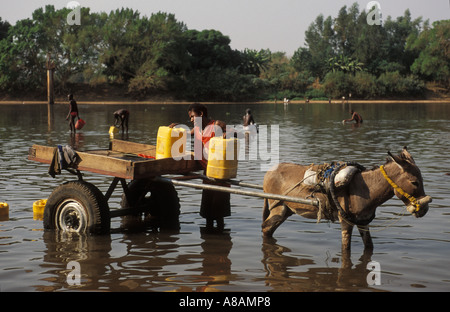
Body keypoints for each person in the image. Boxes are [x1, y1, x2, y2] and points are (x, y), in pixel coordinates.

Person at [169, 103, 230, 230]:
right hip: (207, 174)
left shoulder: (217, 125)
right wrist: (175, 129)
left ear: (201, 114)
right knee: (208, 214)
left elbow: (235, 134)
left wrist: (226, 135)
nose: (191, 120)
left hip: (220, 175)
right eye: (190, 117)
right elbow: (185, 134)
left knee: (219, 213)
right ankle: (209, 238)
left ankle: (219, 240)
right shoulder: (197, 129)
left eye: (192, 116)